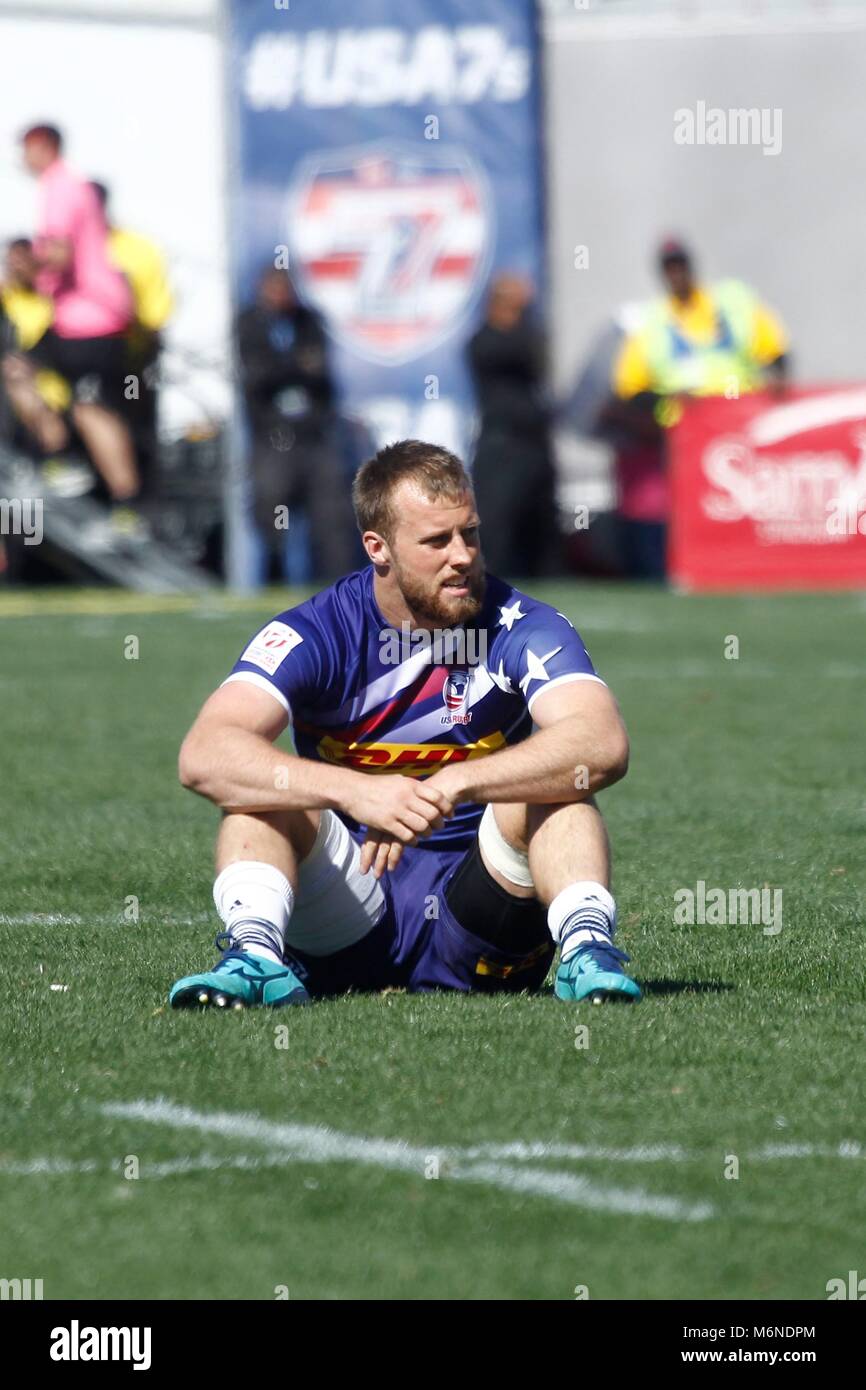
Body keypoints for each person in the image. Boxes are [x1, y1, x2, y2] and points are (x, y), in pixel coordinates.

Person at [169, 439, 639, 1010]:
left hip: (483, 922)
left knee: (561, 787)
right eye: (437, 541)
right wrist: (358, 793)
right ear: (378, 548)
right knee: (264, 793)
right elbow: (205, 754)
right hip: (346, 918)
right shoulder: (316, 632)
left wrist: (452, 783)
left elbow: (601, 743)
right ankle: (254, 955)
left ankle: (589, 951)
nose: (462, 555)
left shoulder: (523, 624)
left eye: (470, 533)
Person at [607, 239, 790, 578]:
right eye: (669, 268)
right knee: (697, 511)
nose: (677, 274)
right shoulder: (653, 322)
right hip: (686, 439)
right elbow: (630, 388)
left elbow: (774, 347)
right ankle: (699, 569)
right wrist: (670, 401)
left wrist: (777, 377)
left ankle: (750, 567)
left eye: (680, 265)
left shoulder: (732, 303)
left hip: (742, 430)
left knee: (743, 504)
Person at [5, 125, 143, 533]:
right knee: (88, 405)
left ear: (43, 146)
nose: (22, 161)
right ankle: (117, 497)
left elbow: (60, 256)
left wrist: (24, 267)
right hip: (91, 320)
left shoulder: (58, 186)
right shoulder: (73, 185)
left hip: (88, 320)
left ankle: (70, 464)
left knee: (83, 405)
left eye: (26, 151)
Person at [236, 266, 356, 582]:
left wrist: (286, 368)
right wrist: (295, 365)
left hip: (314, 435)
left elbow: (319, 371)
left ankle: (336, 582)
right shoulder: (250, 323)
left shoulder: (309, 320)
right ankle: (273, 577)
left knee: (330, 514)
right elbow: (258, 375)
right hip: (273, 436)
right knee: (271, 509)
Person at [467, 272, 557, 579]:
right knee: (499, 524)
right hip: (502, 447)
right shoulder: (485, 342)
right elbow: (513, 353)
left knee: (542, 526)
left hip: (534, 445)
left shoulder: (528, 336)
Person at [90, 181, 174, 489]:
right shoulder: (66, 250)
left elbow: (156, 307)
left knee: (135, 428)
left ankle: (138, 501)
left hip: (130, 359)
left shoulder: (136, 248)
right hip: (81, 361)